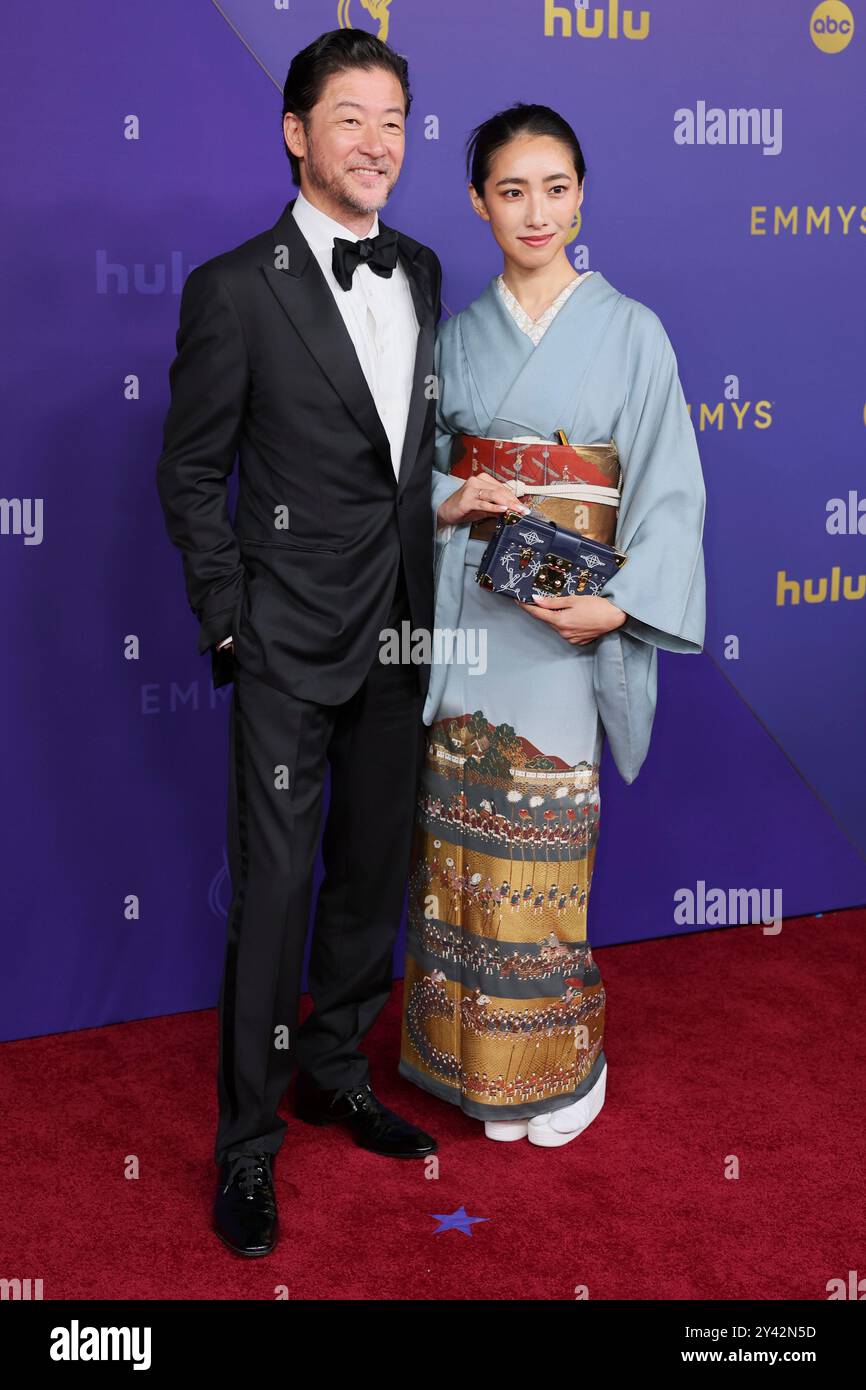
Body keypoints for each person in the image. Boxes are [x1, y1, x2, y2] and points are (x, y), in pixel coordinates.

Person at [156, 29, 441, 1258]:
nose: (375, 143)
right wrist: (231, 621)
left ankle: (335, 1071)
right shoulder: (233, 287)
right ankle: (248, 1147)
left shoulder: (423, 268)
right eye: (349, 119)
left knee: (372, 874)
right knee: (272, 898)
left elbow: (404, 464)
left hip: (400, 633)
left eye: (393, 120)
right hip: (282, 643)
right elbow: (189, 471)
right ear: (295, 133)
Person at [399, 103, 706, 1146]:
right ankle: (473, 1062)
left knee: (544, 846)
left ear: (581, 193)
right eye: (510, 190)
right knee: (462, 848)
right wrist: (453, 493)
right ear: (477, 200)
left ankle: (561, 1065)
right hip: (467, 611)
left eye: (555, 187)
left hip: (570, 623)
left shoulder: (631, 332)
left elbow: (667, 492)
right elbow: (409, 472)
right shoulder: (452, 338)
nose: (536, 212)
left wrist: (615, 605)